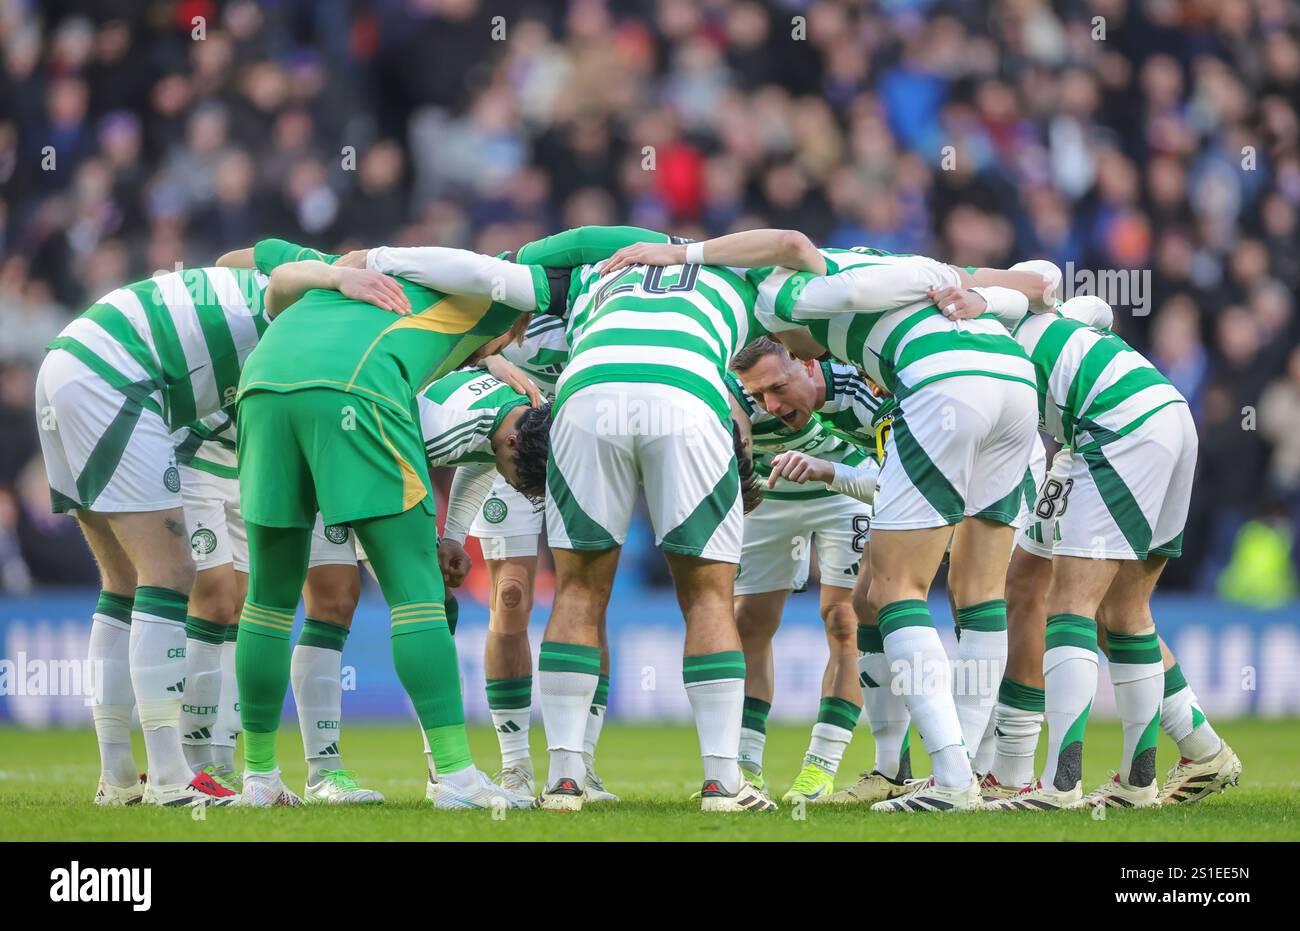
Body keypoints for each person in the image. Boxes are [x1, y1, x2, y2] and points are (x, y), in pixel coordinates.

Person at [604, 230, 1044, 812]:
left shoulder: (793, 297)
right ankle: (981, 772)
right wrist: (970, 291)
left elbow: (789, 242)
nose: (773, 402)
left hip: (943, 386)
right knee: (970, 592)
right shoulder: (893, 271)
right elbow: (1037, 284)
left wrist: (678, 252)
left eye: (778, 380)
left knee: (893, 591)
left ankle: (951, 776)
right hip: (1015, 386)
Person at [34, 240, 403, 806]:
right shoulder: (306, 302)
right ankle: (169, 777)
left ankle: (116, 777)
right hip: (116, 377)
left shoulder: (269, 281)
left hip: (71, 361)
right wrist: (336, 279)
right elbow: (279, 279)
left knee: (122, 586)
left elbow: (240, 260)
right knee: (171, 576)